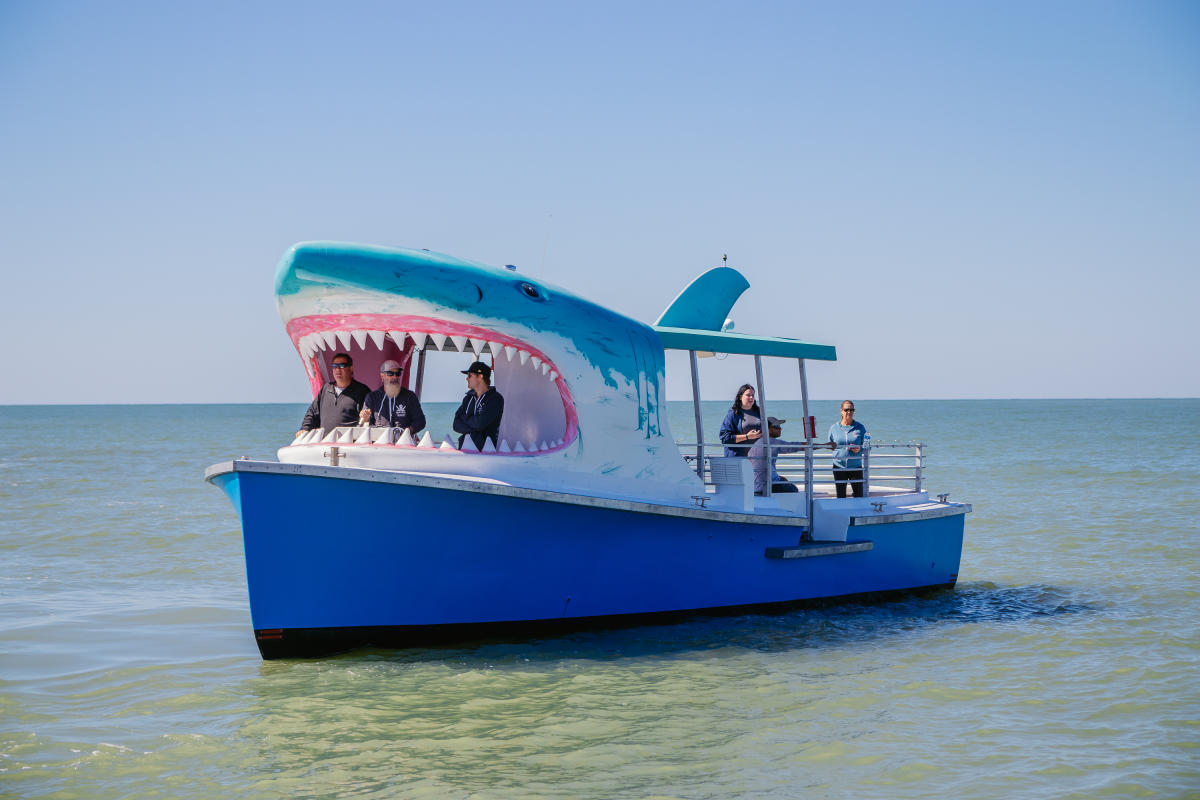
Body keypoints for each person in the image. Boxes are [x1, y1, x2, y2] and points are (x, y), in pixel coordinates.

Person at [296, 352, 370, 436]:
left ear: (351, 368)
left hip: (348, 444)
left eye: (342, 366)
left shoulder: (362, 391)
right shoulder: (326, 389)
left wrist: (366, 417)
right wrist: (304, 429)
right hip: (325, 443)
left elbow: (367, 415)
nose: (338, 369)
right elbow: (312, 412)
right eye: (335, 366)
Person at [358, 359, 426, 437]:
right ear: (382, 376)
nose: (395, 376)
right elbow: (366, 423)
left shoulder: (410, 396)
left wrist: (405, 433)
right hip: (379, 443)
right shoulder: (372, 397)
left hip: (403, 443)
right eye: (390, 373)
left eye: (398, 373)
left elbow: (420, 421)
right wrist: (365, 418)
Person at [453, 360, 504, 450]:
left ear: (480, 376)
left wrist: (465, 418)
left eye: (470, 375)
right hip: (464, 450)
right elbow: (456, 425)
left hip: (486, 452)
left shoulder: (495, 398)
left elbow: (480, 424)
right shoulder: (468, 398)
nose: (467, 379)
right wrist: (476, 427)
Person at [748, 417, 803, 496]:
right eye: (777, 427)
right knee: (793, 489)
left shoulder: (755, 445)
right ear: (768, 429)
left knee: (783, 480)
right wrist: (820, 445)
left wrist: (779, 477)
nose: (780, 429)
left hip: (756, 486)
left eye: (780, 427)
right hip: (768, 486)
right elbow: (793, 446)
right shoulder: (771, 442)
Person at [828, 400, 867, 498]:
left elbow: (867, 446)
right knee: (840, 496)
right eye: (846, 410)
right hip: (839, 466)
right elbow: (830, 445)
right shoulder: (834, 428)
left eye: (852, 410)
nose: (849, 412)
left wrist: (859, 450)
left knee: (859, 495)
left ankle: (858, 512)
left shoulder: (860, 427)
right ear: (841, 411)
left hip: (855, 466)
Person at [718, 383, 763, 457]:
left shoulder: (759, 412)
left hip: (757, 460)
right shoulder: (733, 414)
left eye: (753, 395)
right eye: (748, 395)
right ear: (740, 397)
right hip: (738, 459)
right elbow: (725, 438)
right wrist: (747, 436)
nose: (751, 397)